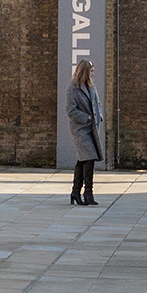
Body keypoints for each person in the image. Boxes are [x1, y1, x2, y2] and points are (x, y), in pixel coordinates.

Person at [66, 59, 103, 206]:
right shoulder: (72, 88)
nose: (93, 74)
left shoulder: (91, 87)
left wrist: (98, 116)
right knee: (89, 158)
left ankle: (76, 192)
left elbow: (97, 103)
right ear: (85, 72)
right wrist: (86, 117)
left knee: (82, 160)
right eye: (91, 71)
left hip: (91, 128)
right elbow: (71, 110)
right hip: (80, 129)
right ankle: (88, 193)